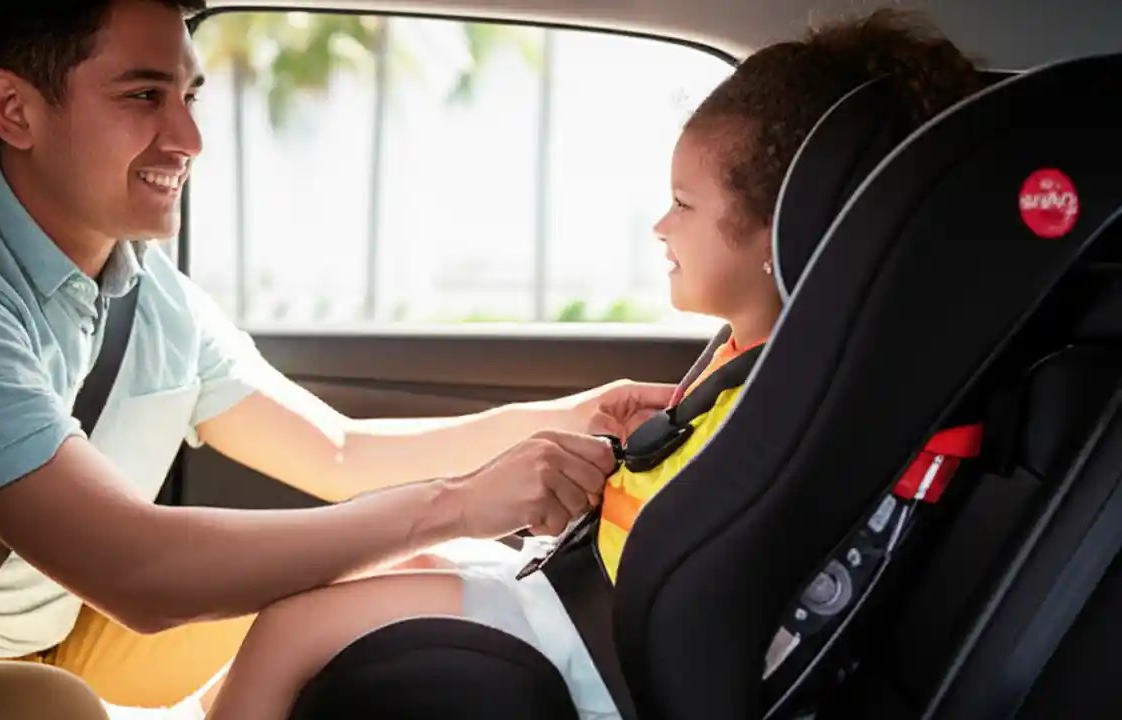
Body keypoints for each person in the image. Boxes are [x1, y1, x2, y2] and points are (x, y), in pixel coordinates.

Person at [0, 1, 676, 718]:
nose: (190, 137)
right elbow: (136, 569)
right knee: (38, 708)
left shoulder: (146, 291)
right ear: (14, 110)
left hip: (66, 632)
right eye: (144, 95)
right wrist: (458, 502)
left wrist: (578, 416)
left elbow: (340, 454)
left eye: (190, 94)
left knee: (402, 586)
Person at [195, 9, 986, 720]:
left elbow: (703, 561)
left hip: (606, 652)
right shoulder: (769, 367)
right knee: (409, 558)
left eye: (683, 202)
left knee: (289, 625)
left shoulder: (803, 399)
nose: (659, 226)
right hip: (587, 606)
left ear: (791, 226)